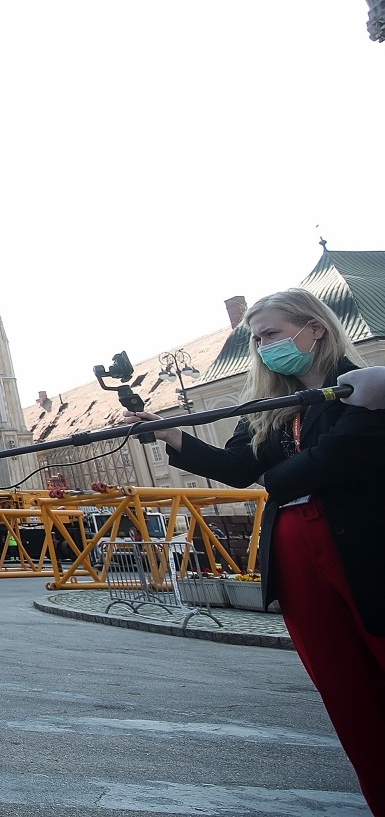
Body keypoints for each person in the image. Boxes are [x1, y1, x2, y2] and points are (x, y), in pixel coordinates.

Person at [122, 289, 385, 813]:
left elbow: (340, 458)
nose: (264, 348)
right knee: (344, 690)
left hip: (361, 541)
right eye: (257, 339)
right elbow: (241, 469)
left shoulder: (364, 385)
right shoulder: (271, 406)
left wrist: (274, 477)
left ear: (315, 329)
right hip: (293, 545)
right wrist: (170, 435)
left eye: (272, 334)